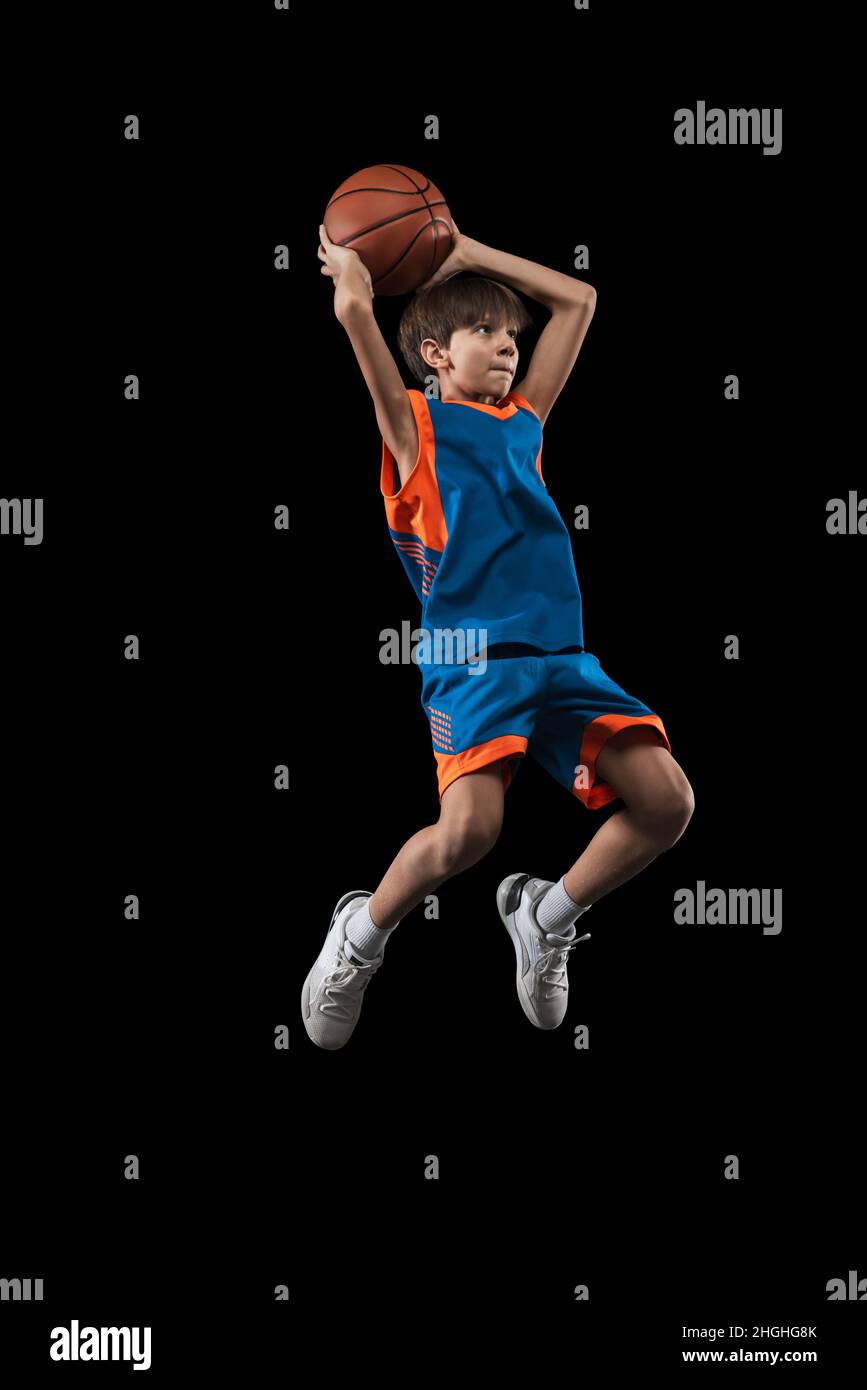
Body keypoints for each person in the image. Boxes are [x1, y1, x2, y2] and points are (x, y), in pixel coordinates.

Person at [302, 219, 694, 1049]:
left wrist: (469, 253)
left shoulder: (524, 423)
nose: (508, 347)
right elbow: (358, 326)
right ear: (436, 356)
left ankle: (544, 915)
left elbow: (579, 299)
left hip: (560, 657)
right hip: (469, 660)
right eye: (485, 331)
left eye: (512, 336)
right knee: (469, 835)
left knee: (666, 804)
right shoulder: (412, 432)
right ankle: (358, 935)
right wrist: (353, 287)